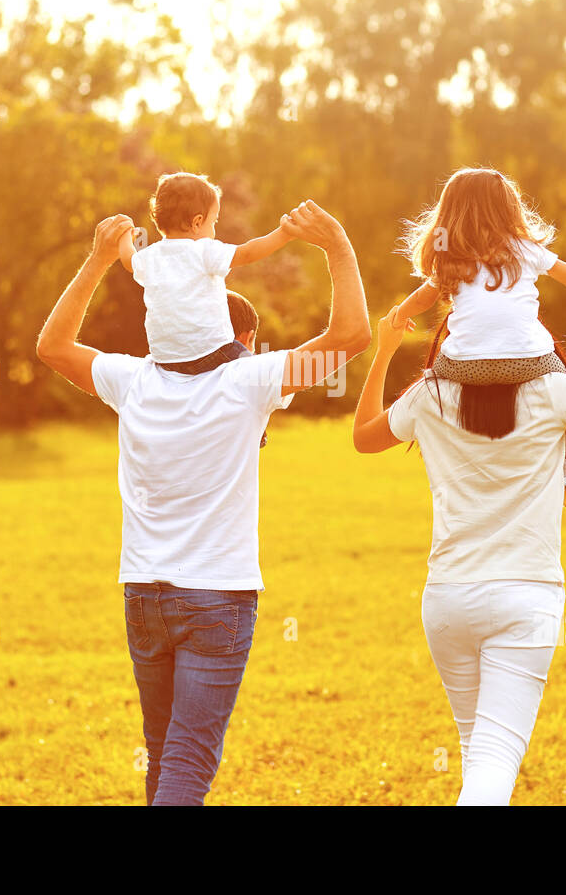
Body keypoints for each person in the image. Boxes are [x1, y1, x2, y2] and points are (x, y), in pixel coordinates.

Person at [36, 202, 370, 805]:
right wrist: (339, 248)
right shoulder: (248, 381)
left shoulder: (134, 381)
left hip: (144, 595)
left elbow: (53, 347)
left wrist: (98, 260)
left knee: (164, 752)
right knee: (187, 762)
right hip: (217, 597)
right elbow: (350, 336)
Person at [352, 282, 566, 805]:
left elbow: (364, 437)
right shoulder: (555, 390)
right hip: (526, 599)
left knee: (479, 755)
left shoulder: (428, 395)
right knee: (493, 761)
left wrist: (385, 350)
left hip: (447, 600)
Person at [395, 167, 566, 510]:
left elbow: (423, 298)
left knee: (432, 384)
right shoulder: (525, 249)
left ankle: (443, 446)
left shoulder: (450, 255)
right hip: (527, 363)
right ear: (507, 209)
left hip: (461, 367)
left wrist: (398, 315)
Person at [119, 171, 293, 370]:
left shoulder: (149, 256)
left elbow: (128, 261)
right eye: (214, 222)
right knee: (254, 368)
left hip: (166, 360)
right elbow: (247, 253)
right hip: (210, 353)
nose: (214, 229)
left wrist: (125, 236)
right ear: (197, 223)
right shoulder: (202, 249)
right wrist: (284, 234)